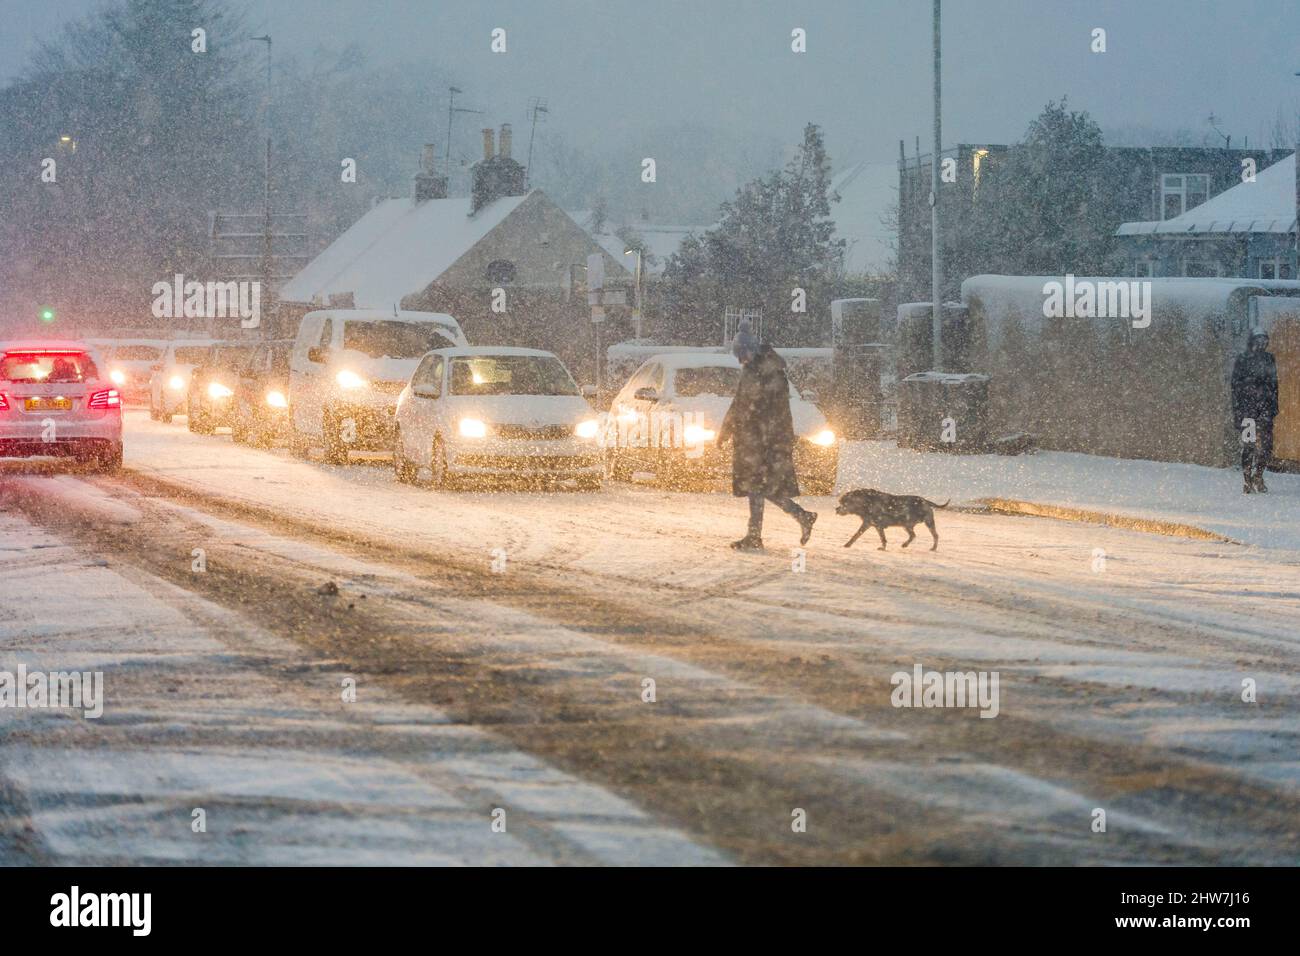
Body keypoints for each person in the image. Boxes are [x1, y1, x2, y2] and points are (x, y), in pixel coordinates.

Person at [716, 321, 817, 551]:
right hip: (758, 439)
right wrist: (726, 431)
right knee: (762, 487)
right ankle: (799, 517)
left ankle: (758, 534)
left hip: (765, 441)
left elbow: (760, 408)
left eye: (742, 355)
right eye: (739, 357)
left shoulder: (769, 372)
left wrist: (757, 433)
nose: (741, 360)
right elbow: (740, 404)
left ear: (751, 350)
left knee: (759, 486)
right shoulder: (755, 370)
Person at [1231, 330, 1278, 494]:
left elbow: (1274, 385)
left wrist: (1273, 408)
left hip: (1265, 409)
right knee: (1249, 446)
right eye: (1258, 340)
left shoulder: (1269, 358)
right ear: (1251, 341)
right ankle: (1247, 480)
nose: (1261, 344)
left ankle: (1258, 475)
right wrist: (1237, 412)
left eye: (1264, 341)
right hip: (1247, 411)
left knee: (1266, 447)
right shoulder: (1242, 359)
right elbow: (1235, 387)